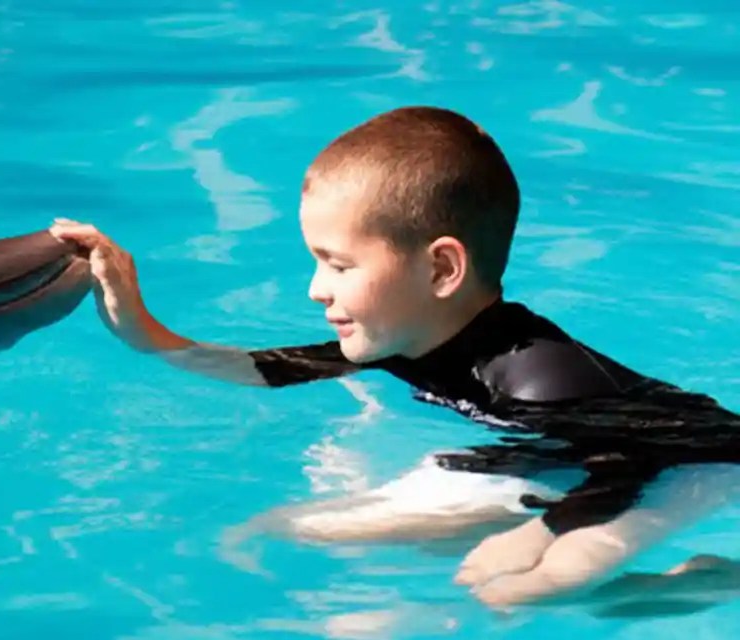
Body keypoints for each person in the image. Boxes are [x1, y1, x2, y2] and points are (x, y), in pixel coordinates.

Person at [48, 106, 740, 608]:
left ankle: (719, 579)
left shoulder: (542, 379)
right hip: (560, 457)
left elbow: (629, 461)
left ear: (441, 270)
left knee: (530, 587)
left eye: (338, 265)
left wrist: (546, 528)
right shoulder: (406, 334)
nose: (316, 289)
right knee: (472, 573)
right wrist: (136, 323)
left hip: (695, 463)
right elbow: (263, 370)